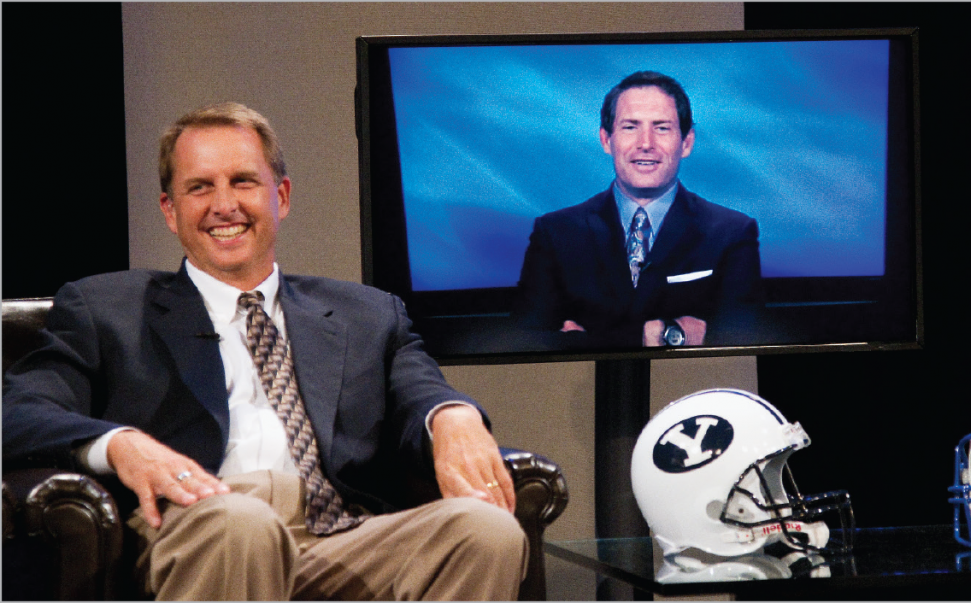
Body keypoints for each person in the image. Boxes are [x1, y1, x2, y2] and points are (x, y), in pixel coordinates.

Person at [2, 102, 527, 600]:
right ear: (170, 210)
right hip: (198, 527)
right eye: (200, 187)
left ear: (282, 196)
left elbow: (421, 392)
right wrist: (119, 443)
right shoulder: (106, 308)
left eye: (243, 181)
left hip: (343, 535)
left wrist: (452, 415)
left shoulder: (366, 314)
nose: (224, 205)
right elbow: (17, 412)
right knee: (242, 524)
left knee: (485, 530)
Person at [514, 71, 764, 350]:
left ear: (687, 143)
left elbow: (741, 339)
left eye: (662, 128)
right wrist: (660, 336)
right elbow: (527, 342)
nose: (646, 143)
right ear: (606, 140)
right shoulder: (555, 232)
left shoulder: (731, 232)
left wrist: (582, 340)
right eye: (630, 127)